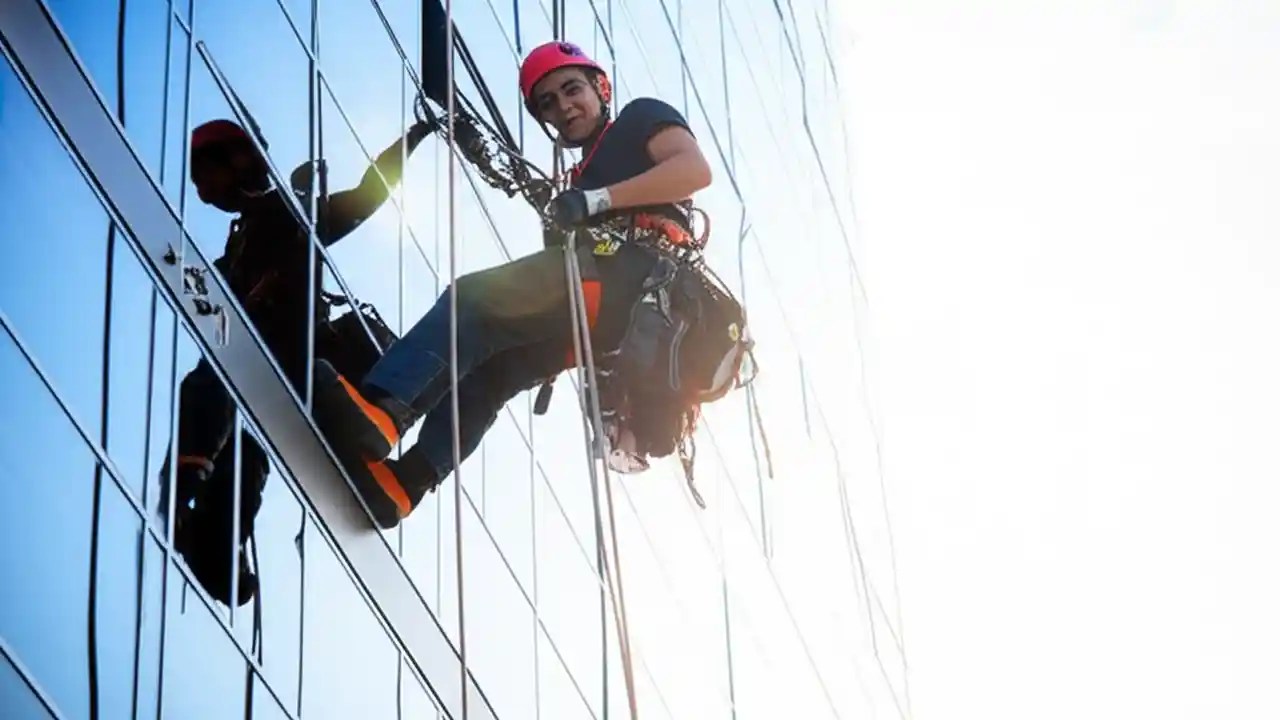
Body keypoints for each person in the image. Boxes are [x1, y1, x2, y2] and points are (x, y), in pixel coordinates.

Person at [311, 40, 714, 529]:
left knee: (473, 299)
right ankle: (406, 483)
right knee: (491, 371)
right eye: (548, 103)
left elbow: (694, 170)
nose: (564, 107)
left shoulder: (637, 119)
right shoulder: (573, 182)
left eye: (572, 90)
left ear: (600, 87)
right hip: (601, 313)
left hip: (625, 276)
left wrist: (595, 202)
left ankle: (381, 411)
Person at [167, 115, 434, 605]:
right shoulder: (237, 244)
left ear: (238, 160)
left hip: (305, 352)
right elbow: (203, 290)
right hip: (276, 360)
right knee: (243, 441)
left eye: (206, 177)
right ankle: (215, 535)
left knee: (209, 383)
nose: (204, 192)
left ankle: (184, 487)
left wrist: (411, 140)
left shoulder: (288, 212)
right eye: (199, 186)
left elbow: (365, 197)